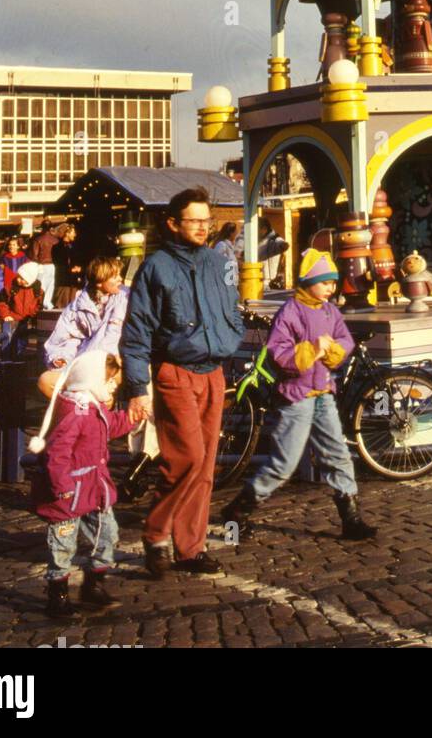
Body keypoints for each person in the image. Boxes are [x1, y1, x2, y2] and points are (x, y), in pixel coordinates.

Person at [120, 186, 245, 578]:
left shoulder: (217, 261)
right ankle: (156, 534)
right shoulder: (155, 267)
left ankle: (190, 548)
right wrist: (138, 389)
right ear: (173, 223)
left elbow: (232, 306)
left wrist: (232, 334)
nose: (203, 228)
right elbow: (136, 333)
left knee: (206, 464)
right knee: (185, 458)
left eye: (207, 220)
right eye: (195, 220)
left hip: (213, 373)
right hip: (174, 372)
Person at [221, 250, 374, 540]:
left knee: (337, 453)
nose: (331, 288)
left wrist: (332, 352)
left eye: (333, 282)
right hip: (296, 398)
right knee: (285, 462)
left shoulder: (330, 311)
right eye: (325, 282)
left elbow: (344, 340)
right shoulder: (290, 312)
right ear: (309, 281)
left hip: (323, 393)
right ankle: (238, 511)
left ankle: (351, 517)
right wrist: (313, 348)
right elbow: (279, 354)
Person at [29, 350, 137, 618]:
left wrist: (132, 417)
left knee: (107, 533)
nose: (113, 387)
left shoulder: (94, 408)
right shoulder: (76, 412)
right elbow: (57, 453)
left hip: (94, 488)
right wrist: (62, 486)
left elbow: (109, 426)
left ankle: (94, 584)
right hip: (69, 493)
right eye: (109, 382)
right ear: (90, 380)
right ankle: (58, 596)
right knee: (63, 545)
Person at [40, 256, 129, 396]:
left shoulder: (127, 298)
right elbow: (65, 337)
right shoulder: (77, 306)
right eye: (115, 276)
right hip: (85, 364)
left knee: (98, 391)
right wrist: (61, 357)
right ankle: (80, 409)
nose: (120, 279)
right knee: (46, 381)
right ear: (99, 282)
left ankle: (88, 407)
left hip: (116, 364)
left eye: (119, 274)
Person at [0, 260, 44, 330]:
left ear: (29, 280)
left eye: (22, 279)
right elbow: (1, 302)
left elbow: (39, 306)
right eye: (18, 276)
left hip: (27, 321)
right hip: (12, 319)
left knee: (23, 339)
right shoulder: (10, 288)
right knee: (10, 339)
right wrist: (6, 315)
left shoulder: (38, 291)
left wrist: (33, 317)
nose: (18, 279)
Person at [28, 221, 62, 310]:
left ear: (42, 228)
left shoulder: (37, 239)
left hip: (41, 265)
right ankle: (47, 303)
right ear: (51, 228)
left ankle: (39, 302)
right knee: (50, 285)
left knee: (41, 284)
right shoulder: (56, 240)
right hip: (52, 265)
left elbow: (34, 255)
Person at [51, 224, 82, 309]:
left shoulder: (73, 247)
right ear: (67, 233)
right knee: (62, 305)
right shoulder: (57, 248)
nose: (75, 235)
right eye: (73, 232)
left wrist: (78, 268)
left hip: (73, 282)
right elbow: (58, 264)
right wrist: (70, 269)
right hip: (63, 282)